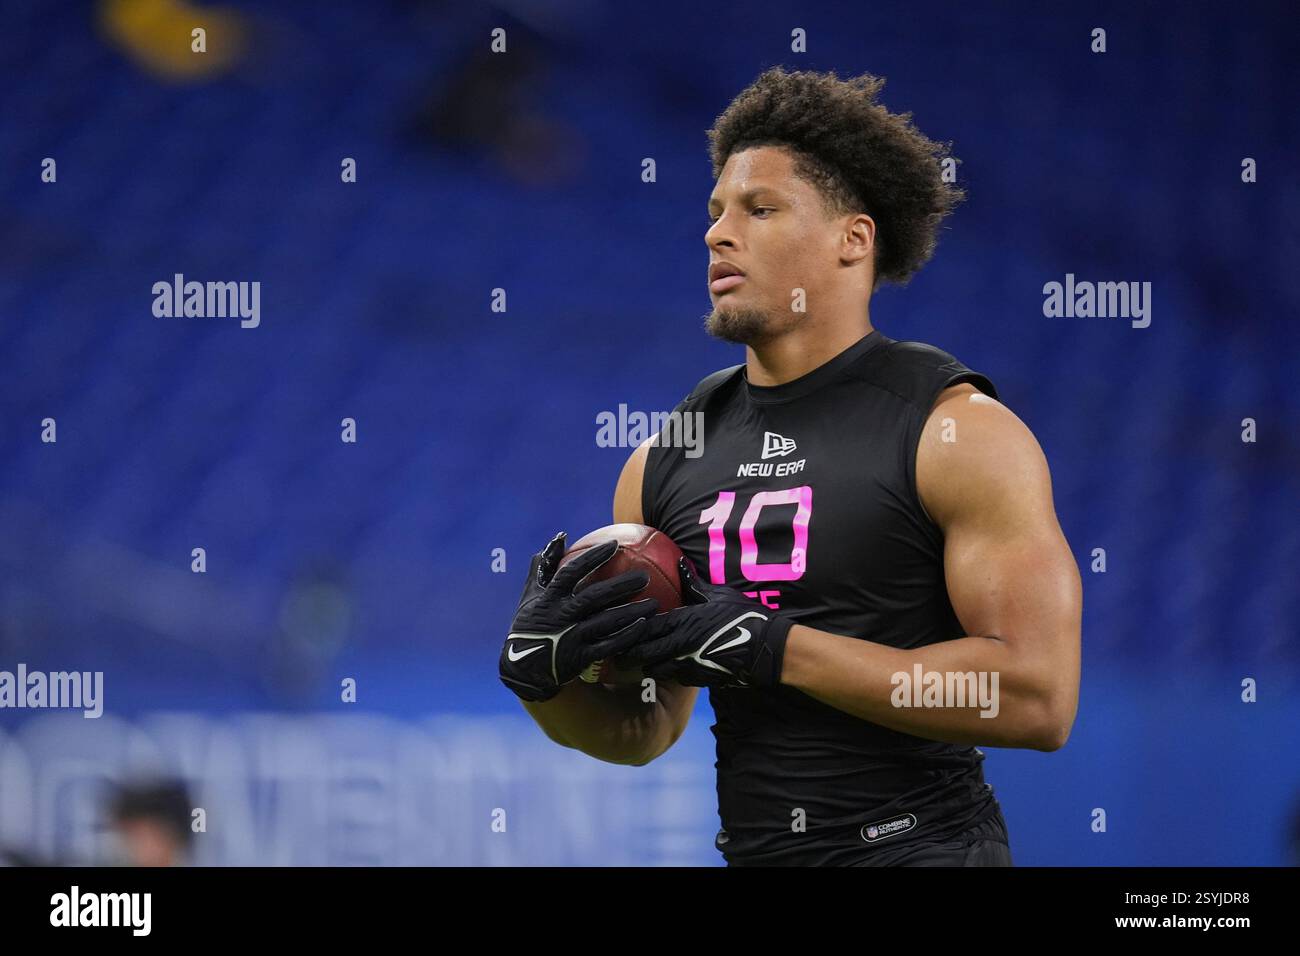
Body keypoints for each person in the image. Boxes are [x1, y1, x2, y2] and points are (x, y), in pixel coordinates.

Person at [501, 67, 1081, 866]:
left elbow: (1034, 697)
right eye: (714, 213)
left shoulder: (957, 432)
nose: (716, 233)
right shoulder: (666, 456)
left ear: (854, 238)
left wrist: (777, 648)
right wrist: (547, 684)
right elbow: (646, 729)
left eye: (760, 208)